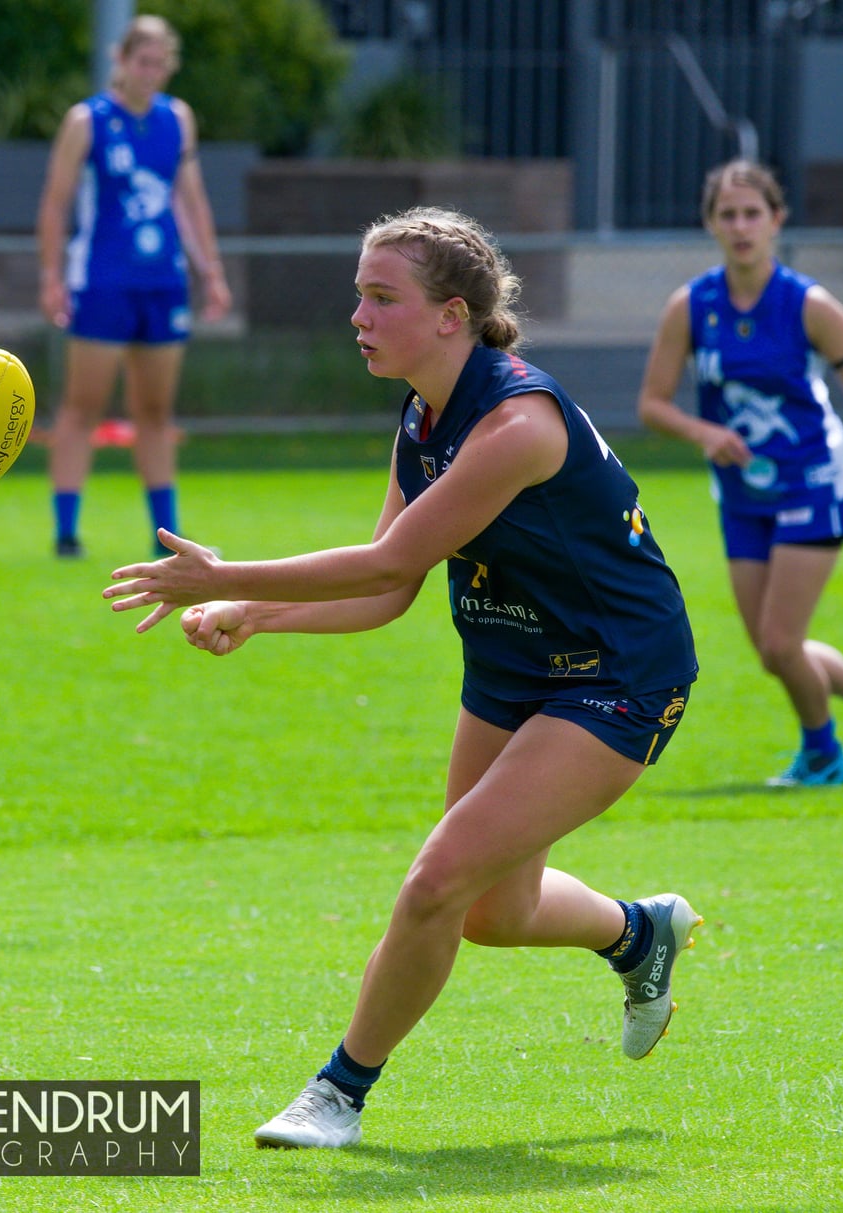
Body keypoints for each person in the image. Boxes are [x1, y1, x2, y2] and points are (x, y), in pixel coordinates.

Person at [104, 208, 702, 1148]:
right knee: (493, 914)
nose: (360, 315)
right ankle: (636, 932)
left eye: (383, 297)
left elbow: (385, 564)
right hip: (511, 663)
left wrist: (226, 576)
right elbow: (393, 588)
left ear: (453, 315)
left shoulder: (515, 425)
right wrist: (255, 616)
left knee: (436, 881)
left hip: (617, 672)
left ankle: (338, 1091)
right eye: (359, 295)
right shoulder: (422, 415)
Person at [638, 158, 843, 787]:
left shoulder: (810, 305)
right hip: (743, 494)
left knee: (777, 643)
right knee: (777, 650)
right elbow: (652, 405)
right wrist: (704, 432)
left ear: (776, 220)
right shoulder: (691, 306)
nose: (741, 226)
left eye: (752, 213)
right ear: (710, 223)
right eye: (727, 214)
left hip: (814, 482)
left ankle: (824, 754)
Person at [35, 14, 231, 560]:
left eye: (161, 63)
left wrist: (210, 272)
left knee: (156, 411)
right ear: (121, 61)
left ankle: (165, 533)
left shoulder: (177, 119)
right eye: (142, 61)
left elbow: (189, 199)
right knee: (83, 406)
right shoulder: (88, 120)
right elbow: (54, 203)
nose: (151, 73)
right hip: (102, 282)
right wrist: (52, 276)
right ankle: (66, 530)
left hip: (162, 282)